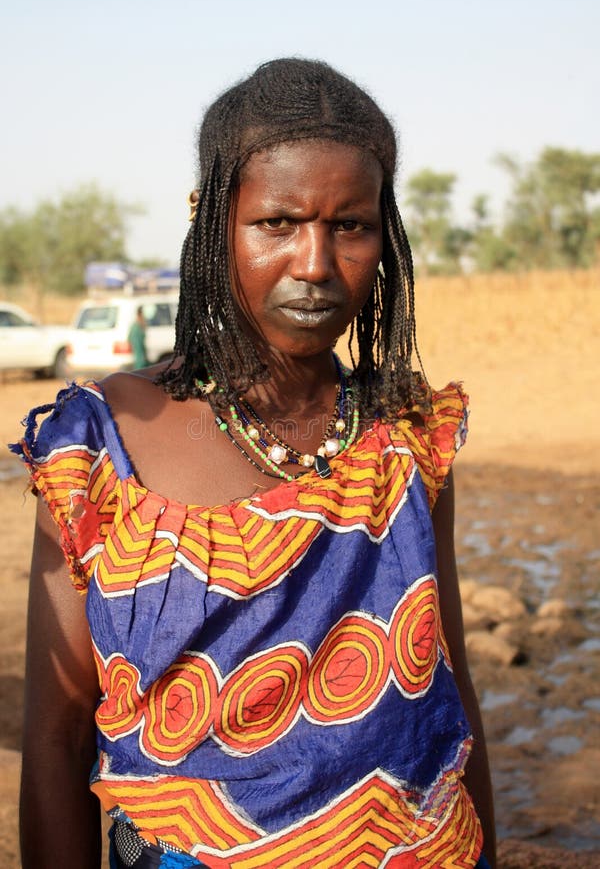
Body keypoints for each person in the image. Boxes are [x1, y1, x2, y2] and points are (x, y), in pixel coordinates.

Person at [12, 58, 496, 868]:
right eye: (278, 222)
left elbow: (450, 683)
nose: (314, 263)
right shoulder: (98, 451)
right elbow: (56, 735)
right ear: (213, 225)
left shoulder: (405, 437)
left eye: (351, 225)